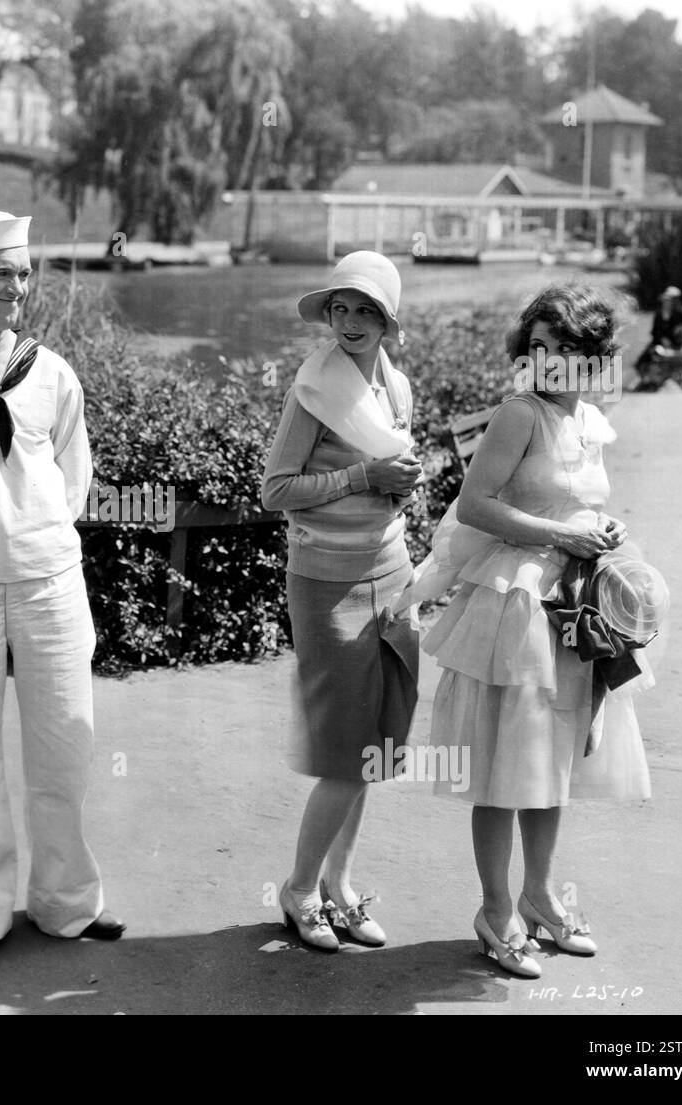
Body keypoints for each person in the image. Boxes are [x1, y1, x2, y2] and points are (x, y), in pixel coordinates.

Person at [398, 284, 653, 978]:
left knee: (552, 759)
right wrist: (561, 533)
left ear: (591, 358)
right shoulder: (518, 415)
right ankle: (496, 908)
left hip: (572, 602)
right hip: (515, 601)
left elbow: (581, 501)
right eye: (537, 348)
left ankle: (541, 897)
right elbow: (477, 506)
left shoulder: (588, 421)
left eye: (564, 349)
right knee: (499, 764)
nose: (547, 362)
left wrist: (603, 529)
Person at [0, 210, 123, 962]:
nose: (17, 286)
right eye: (0, 273)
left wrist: (32, 542)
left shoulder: (52, 372)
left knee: (66, 745)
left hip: (50, 585)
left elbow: (74, 478)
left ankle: (68, 898)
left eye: (24, 272)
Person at [261, 250, 422, 952]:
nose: (350, 322)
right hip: (327, 581)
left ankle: (340, 884)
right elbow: (275, 490)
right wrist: (365, 473)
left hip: (392, 571)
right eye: (341, 308)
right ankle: (299, 891)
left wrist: (397, 482)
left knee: (378, 745)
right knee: (343, 753)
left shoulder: (397, 387)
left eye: (366, 311)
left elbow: (395, 475)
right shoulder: (313, 389)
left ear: (388, 323)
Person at [635, 285, 682, 389]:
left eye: (669, 300)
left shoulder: (680, 314)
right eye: (665, 300)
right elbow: (654, 331)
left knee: (668, 359)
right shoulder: (659, 314)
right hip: (659, 343)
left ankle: (659, 380)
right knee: (642, 360)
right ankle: (648, 380)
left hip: (675, 345)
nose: (667, 302)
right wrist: (661, 339)